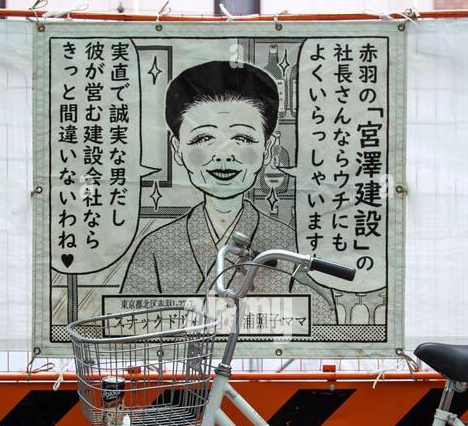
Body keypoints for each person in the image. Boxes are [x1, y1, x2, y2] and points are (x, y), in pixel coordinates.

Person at [120, 60, 335, 323]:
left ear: (268, 148)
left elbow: (321, 319)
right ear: (177, 149)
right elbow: (129, 325)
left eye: (242, 139)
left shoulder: (288, 242)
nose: (224, 155)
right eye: (203, 139)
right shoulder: (155, 246)